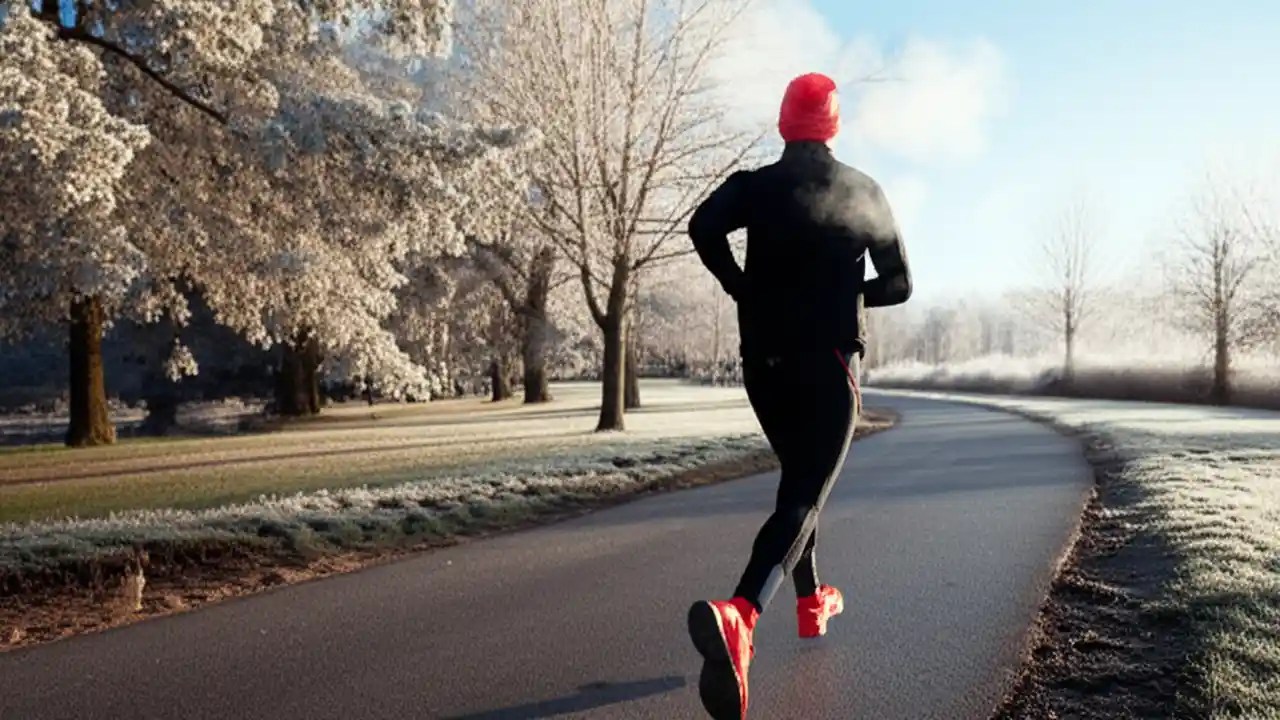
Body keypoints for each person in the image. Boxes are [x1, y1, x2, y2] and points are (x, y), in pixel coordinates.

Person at [684, 72, 913, 720]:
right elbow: (899, 284)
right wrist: (846, 292)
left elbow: (702, 228)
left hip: (764, 364)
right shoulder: (861, 191)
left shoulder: (755, 186)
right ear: (833, 126)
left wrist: (740, 285)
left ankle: (812, 603)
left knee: (798, 485)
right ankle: (743, 613)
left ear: (785, 123)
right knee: (806, 496)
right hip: (829, 363)